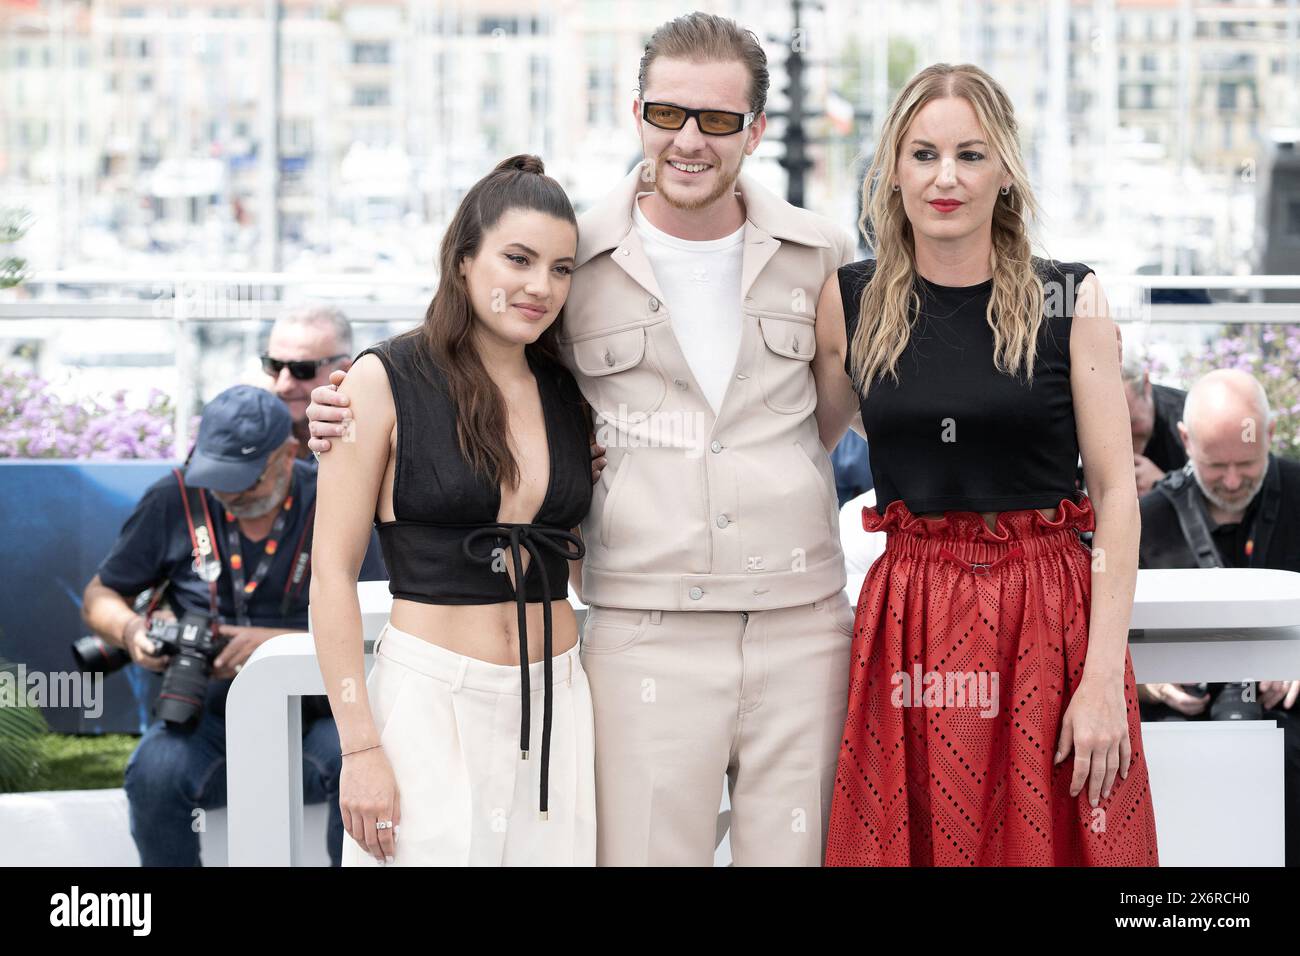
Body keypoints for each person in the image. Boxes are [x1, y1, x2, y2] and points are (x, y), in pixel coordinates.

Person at [307, 12, 858, 867]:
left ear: (754, 129)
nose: (688, 140)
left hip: (797, 624)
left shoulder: (820, 252)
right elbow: (460, 366)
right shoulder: (581, 254)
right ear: (634, 110)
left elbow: (826, 417)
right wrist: (340, 409)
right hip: (638, 633)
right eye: (668, 113)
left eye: (717, 120)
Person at [810, 63, 1159, 865]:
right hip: (910, 619)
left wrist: (1105, 673)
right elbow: (797, 448)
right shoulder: (851, 300)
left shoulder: (1071, 299)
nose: (945, 178)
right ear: (893, 169)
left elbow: (1115, 492)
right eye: (923, 154)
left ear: (1005, 171)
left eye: (970, 155)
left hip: (1049, 621)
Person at [310, 155, 597, 866]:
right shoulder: (382, 379)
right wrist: (361, 746)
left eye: (562, 269)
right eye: (519, 259)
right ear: (464, 259)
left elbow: (585, 567)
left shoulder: (567, 392)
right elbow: (330, 576)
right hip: (427, 705)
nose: (541, 286)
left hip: (558, 701)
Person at [81, 385, 344, 866]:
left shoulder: (332, 497)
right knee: (154, 776)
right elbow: (100, 596)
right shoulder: (173, 497)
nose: (228, 495)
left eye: (244, 481)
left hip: (317, 713)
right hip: (202, 713)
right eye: (216, 478)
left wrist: (276, 649)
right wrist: (131, 632)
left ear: (288, 454)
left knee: (359, 767)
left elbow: (380, 619)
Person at [1136, 368, 1300, 864]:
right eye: (1214, 465)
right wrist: (1150, 683)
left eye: (1247, 464)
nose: (1231, 482)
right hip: (1173, 732)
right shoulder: (1148, 520)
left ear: (1270, 435)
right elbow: (1096, 639)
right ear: (1185, 441)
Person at [262, 304, 354, 461]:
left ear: (344, 370)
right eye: (274, 365)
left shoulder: (361, 431)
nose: (283, 386)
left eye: (302, 369)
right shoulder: (251, 423)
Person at [1122, 354, 1189, 495]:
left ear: (1146, 385)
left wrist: (1164, 484)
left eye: (1132, 423)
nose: (1123, 437)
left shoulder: (1188, 416)